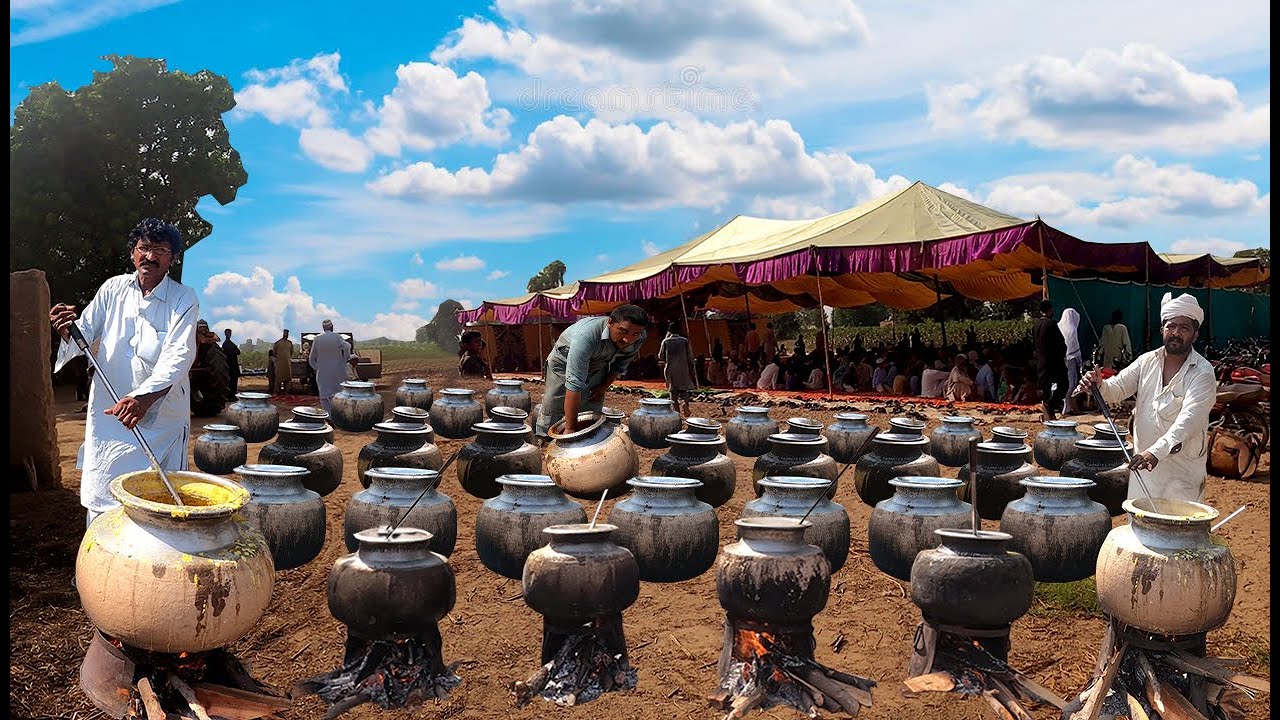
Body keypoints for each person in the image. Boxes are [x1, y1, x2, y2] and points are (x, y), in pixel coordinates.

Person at [49, 218, 198, 526]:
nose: (151, 257)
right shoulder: (113, 288)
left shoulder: (183, 298)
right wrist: (66, 330)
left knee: (158, 498)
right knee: (105, 491)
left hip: (161, 417)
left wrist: (143, 399)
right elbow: (84, 332)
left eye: (160, 250)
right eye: (144, 248)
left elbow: (179, 354)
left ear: (173, 258)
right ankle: (98, 566)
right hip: (111, 414)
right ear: (133, 253)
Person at [1077, 293, 1217, 502]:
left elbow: (1189, 420)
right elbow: (1117, 388)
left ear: (1195, 334)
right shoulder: (1147, 361)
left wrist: (1156, 451)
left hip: (1181, 471)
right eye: (1171, 326)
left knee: (1179, 528)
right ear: (1162, 329)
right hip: (1144, 465)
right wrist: (1100, 385)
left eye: (1184, 327)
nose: (1176, 333)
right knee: (1142, 525)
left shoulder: (1202, 372)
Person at [537, 304, 650, 438]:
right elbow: (574, 383)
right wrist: (570, 430)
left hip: (598, 364)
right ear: (610, 323)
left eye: (635, 334)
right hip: (563, 362)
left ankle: (587, 436)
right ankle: (545, 439)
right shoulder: (586, 336)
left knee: (592, 402)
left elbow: (620, 365)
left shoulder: (639, 337)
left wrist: (603, 387)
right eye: (623, 331)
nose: (628, 339)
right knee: (555, 402)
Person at [1032, 300, 1068, 421]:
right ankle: (1050, 406)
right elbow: (1060, 343)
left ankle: (1048, 414)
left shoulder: (1036, 325)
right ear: (1050, 310)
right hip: (1053, 362)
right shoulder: (1051, 324)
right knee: (1064, 384)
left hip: (1041, 361)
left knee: (1046, 388)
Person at [308, 319, 353, 412]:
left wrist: (317, 368)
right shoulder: (337, 337)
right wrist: (344, 360)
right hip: (338, 371)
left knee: (325, 396)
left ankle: (329, 417)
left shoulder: (317, 339)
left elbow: (311, 358)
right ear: (332, 327)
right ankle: (339, 416)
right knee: (339, 395)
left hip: (323, 373)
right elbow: (347, 346)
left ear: (323, 328)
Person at [658, 320, 697, 417]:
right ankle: (686, 403)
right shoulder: (684, 341)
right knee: (684, 390)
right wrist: (691, 369)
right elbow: (690, 356)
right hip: (683, 369)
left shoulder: (666, 341)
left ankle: (676, 412)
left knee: (673, 391)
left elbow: (660, 356)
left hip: (670, 369)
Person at [1059, 308, 1082, 415]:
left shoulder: (1058, 327)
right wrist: (1080, 360)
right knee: (1071, 383)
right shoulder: (1072, 330)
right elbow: (1074, 347)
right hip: (1071, 360)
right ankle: (1067, 408)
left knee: (1060, 383)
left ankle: (1060, 406)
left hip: (1060, 359)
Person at [271, 330, 293, 395]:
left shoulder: (289, 343)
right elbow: (274, 353)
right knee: (278, 379)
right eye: (285, 333)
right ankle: (277, 392)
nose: (286, 335)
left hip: (287, 364)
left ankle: (286, 392)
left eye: (287, 334)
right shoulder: (278, 343)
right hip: (279, 363)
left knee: (287, 379)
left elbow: (291, 352)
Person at [222, 328, 241, 399]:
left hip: (227, 366)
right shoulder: (230, 344)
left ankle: (230, 395)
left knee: (229, 382)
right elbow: (238, 352)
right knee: (233, 382)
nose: (229, 334)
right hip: (232, 366)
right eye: (228, 333)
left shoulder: (225, 344)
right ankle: (232, 396)